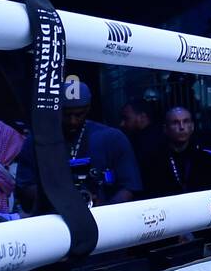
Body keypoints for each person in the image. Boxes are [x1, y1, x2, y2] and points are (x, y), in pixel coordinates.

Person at [16, 82, 142, 211]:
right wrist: (61, 199)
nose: (72, 121)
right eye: (66, 114)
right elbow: (25, 185)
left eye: (78, 114)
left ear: (88, 108)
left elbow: (130, 187)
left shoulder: (113, 138)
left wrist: (104, 210)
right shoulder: (37, 141)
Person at [141, 106, 211, 198]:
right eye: (175, 123)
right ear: (165, 129)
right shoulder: (154, 161)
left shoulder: (205, 158)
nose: (181, 127)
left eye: (186, 121)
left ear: (192, 126)